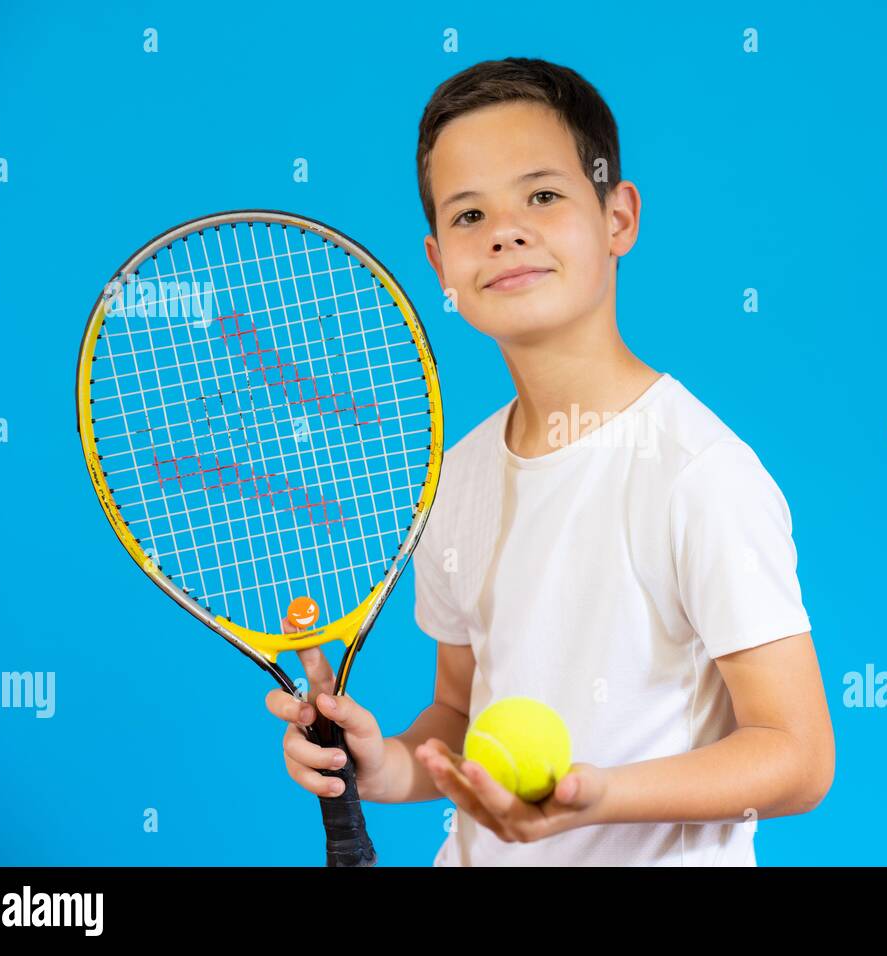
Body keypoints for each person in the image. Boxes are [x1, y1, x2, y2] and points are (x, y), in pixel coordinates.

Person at [267, 56, 836, 866]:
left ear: (618, 218)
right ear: (441, 267)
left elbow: (799, 757)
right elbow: (460, 714)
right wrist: (386, 763)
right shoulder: (456, 474)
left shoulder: (697, 473)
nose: (504, 230)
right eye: (469, 216)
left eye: (542, 195)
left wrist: (598, 797)